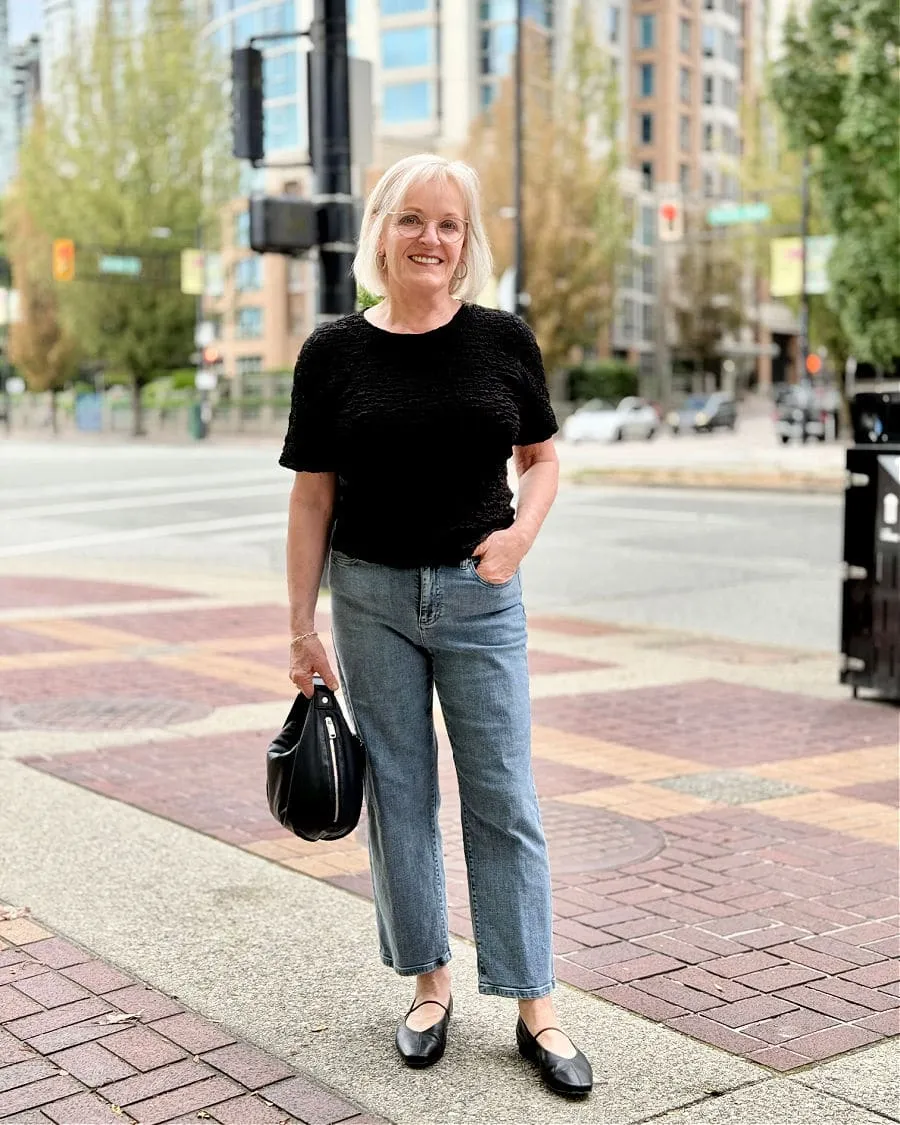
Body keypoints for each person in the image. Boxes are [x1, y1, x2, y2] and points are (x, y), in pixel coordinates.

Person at [279, 153, 593, 1097]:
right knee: (403, 797)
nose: (430, 238)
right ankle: (429, 984)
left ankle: (535, 1001)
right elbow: (311, 499)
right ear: (382, 230)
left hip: (479, 596)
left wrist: (519, 539)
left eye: (448, 223)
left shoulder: (502, 340)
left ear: (466, 241)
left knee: (504, 795)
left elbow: (541, 459)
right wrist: (301, 624)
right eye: (412, 219)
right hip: (370, 597)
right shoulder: (333, 352)